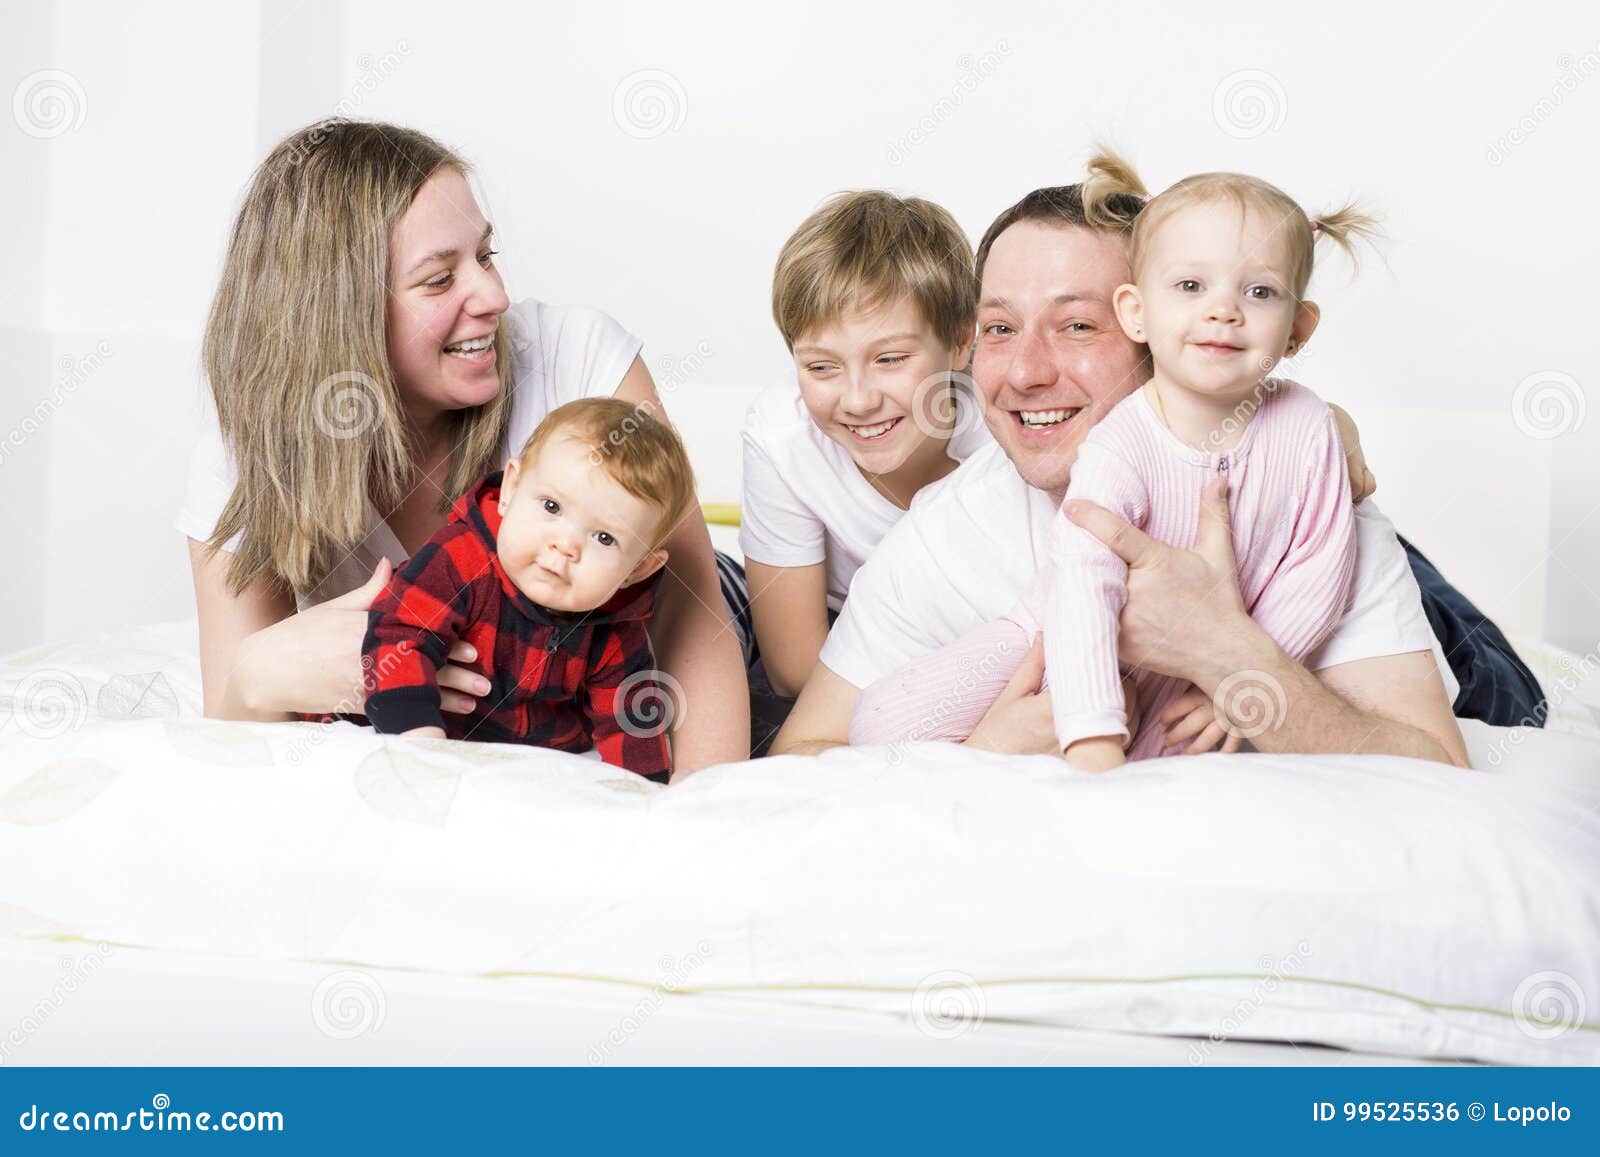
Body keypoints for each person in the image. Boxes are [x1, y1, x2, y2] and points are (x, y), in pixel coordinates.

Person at [773, 176, 1533, 765]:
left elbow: (1434, 765)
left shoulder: (1301, 489)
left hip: (1437, 618)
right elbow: (797, 757)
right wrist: (976, 759)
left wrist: (1227, 651)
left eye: (1078, 325)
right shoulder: (948, 530)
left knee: (1509, 695)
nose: (1028, 370)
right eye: (1001, 328)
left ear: (1153, 331)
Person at [176, 119, 749, 779]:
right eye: (440, 280)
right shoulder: (248, 457)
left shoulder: (575, 358)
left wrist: (699, 820)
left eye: (486, 256)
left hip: (666, 615)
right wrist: (256, 669)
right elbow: (232, 735)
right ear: (339, 315)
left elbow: (693, 615)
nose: (495, 296)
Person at [740, 191, 986, 751]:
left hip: (974, 645)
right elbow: (794, 673)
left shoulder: (1003, 435)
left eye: (891, 359)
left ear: (961, 342)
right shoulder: (783, 435)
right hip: (837, 662)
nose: (857, 400)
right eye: (821, 367)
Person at [363, 399, 694, 780]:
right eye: (552, 506)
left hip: (541, 756)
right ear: (510, 490)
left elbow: (629, 721)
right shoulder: (461, 560)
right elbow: (397, 635)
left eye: (604, 537)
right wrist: (421, 741)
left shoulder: (614, 625)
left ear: (638, 569)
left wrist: (646, 792)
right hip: (433, 730)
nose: (566, 545)